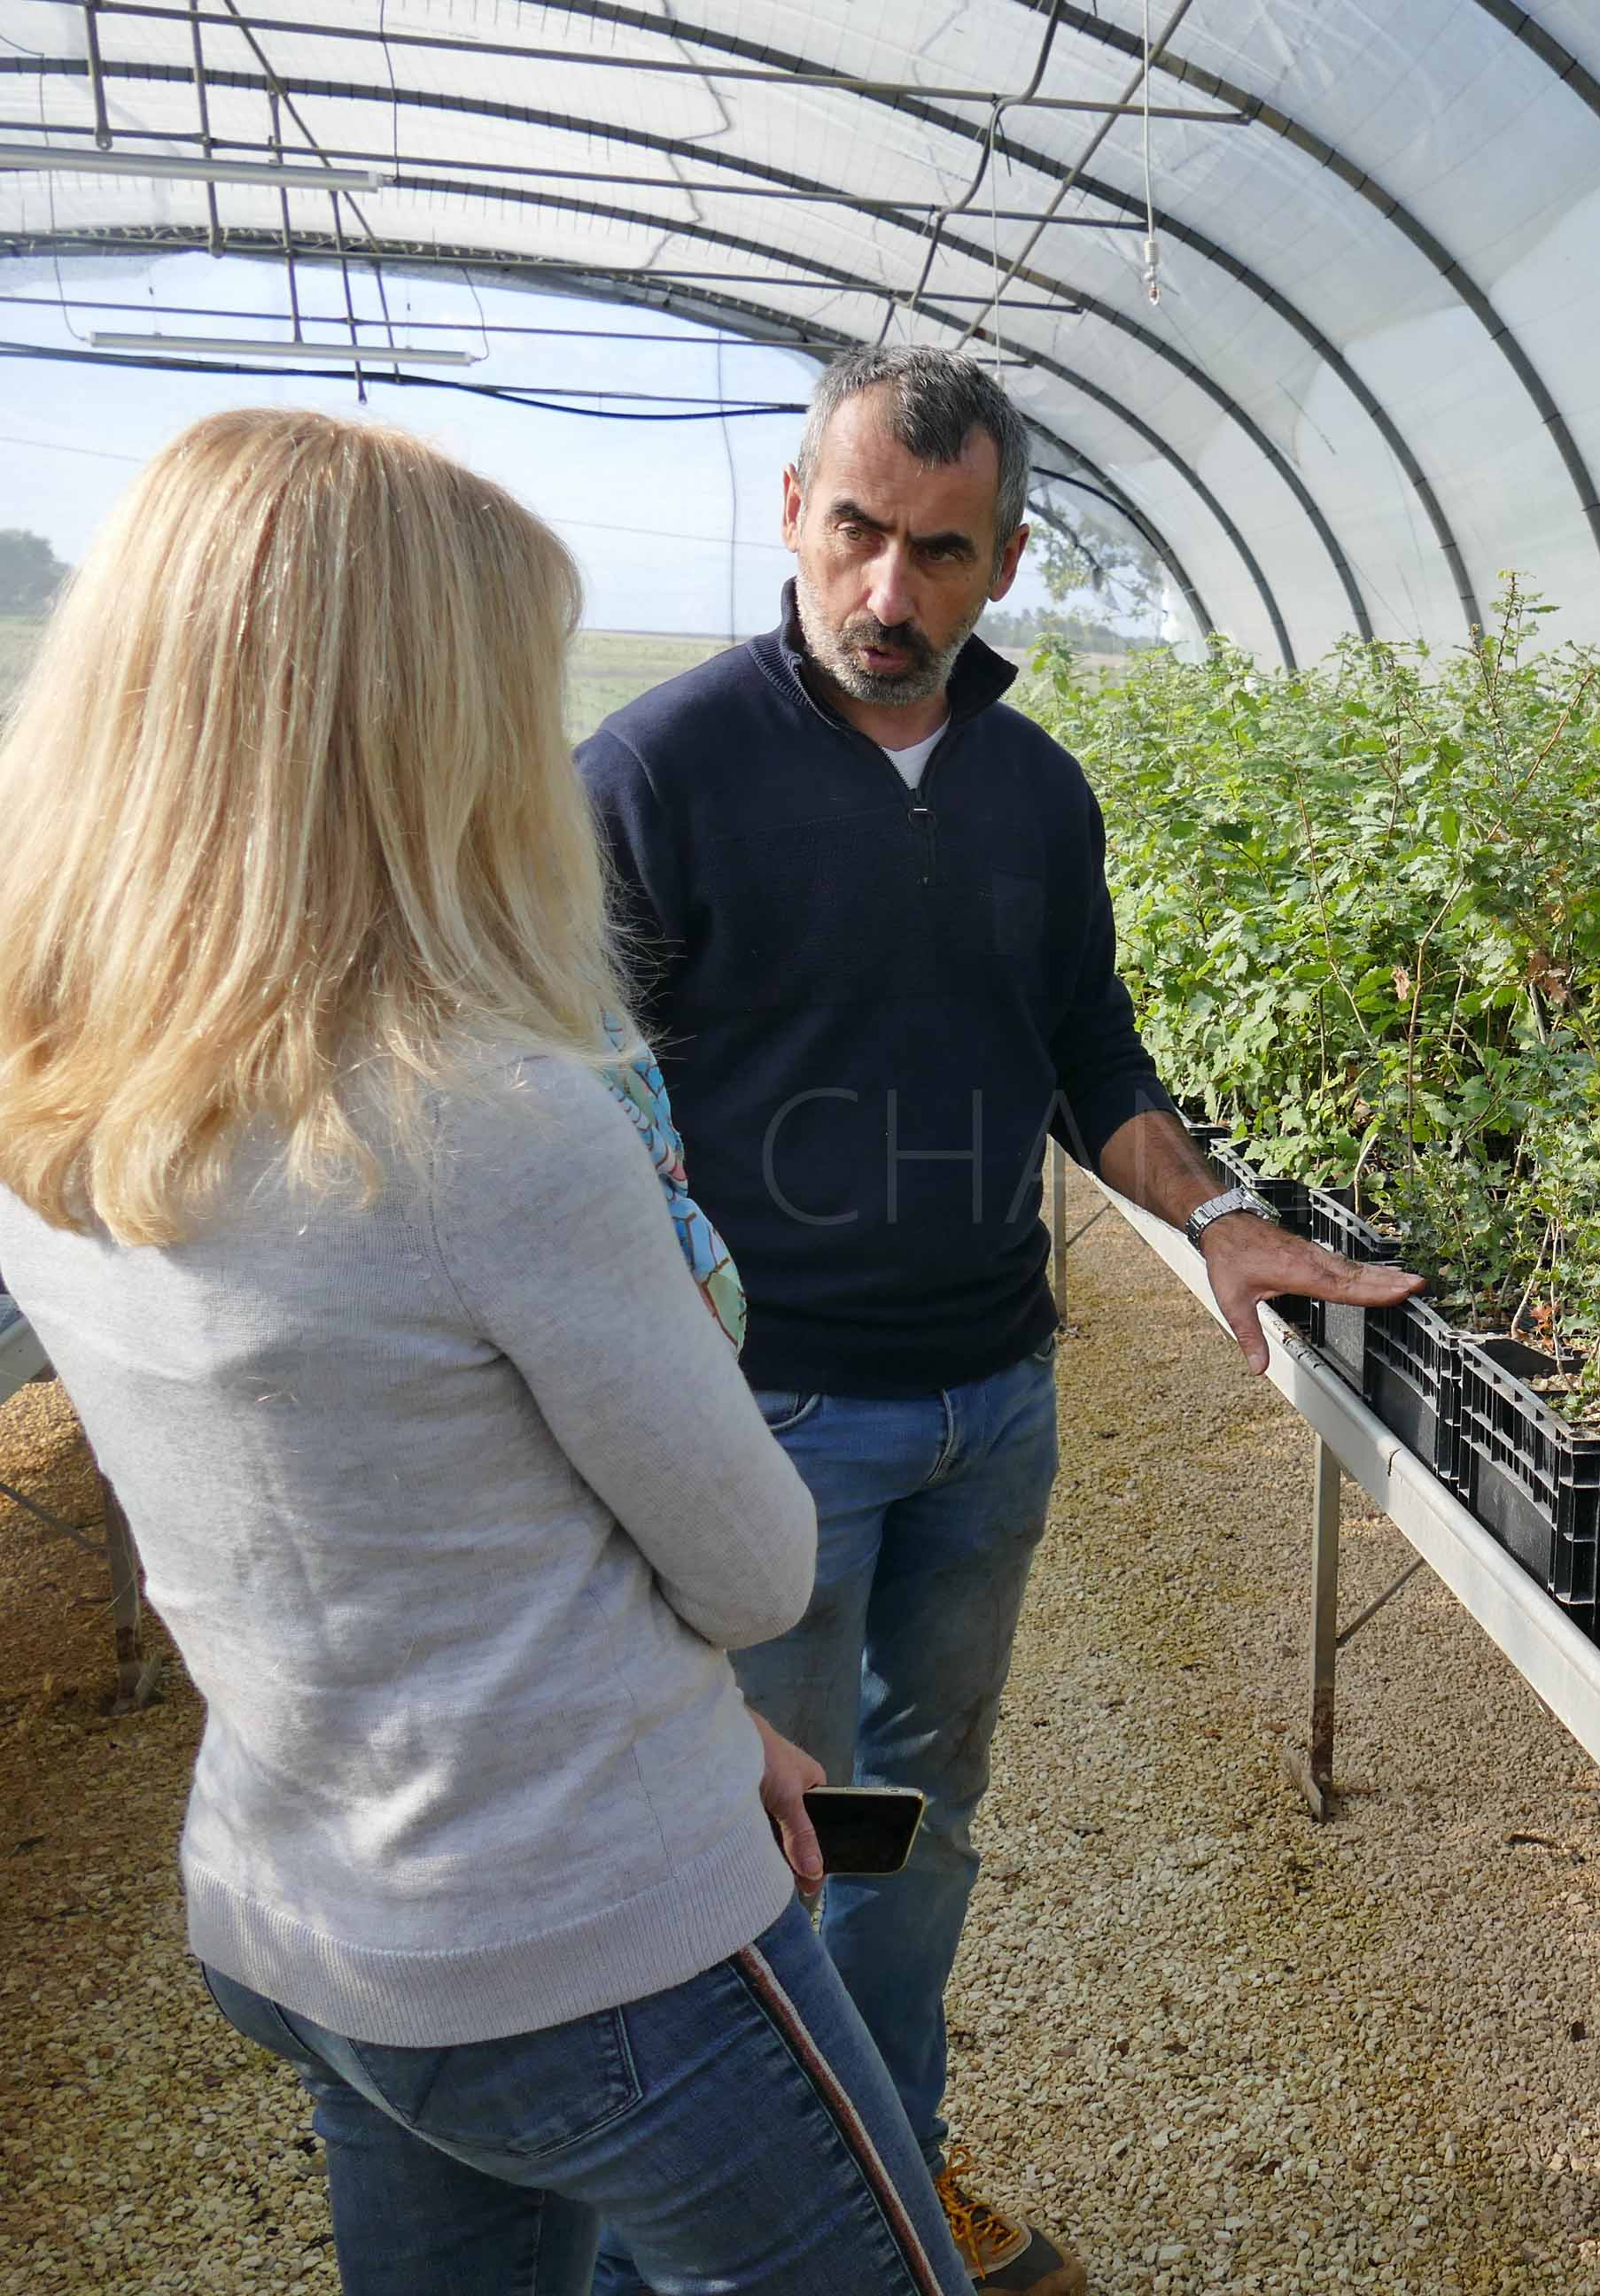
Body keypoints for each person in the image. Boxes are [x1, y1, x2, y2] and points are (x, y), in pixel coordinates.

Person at [0, 407, 970, 2295]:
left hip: (313, 1921)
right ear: (411, 734)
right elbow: (756, 1561)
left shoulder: (63, 1101)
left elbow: (386, 1532)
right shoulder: (477, 1124)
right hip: (596, 1954)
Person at [580, 345, 1418, 2296]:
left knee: (907, 1818)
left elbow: (1081, 1048)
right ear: (795, 512)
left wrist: (1217, 1217)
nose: (890, 591)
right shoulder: (653, 774)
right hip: (761, 1423)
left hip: (984, 1409)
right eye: (857, 532)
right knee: (732, 1848)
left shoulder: (1037, 790)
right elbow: (577, 1104)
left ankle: (889, 2168)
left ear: (1008, 561)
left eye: (940, 553)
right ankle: (697, 2246)